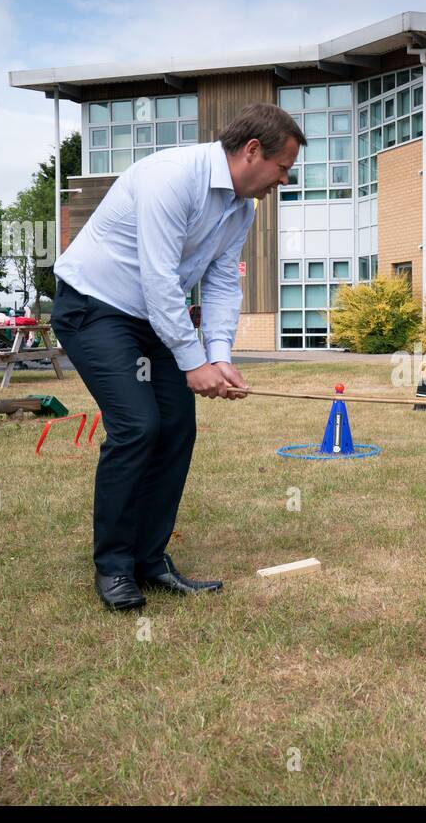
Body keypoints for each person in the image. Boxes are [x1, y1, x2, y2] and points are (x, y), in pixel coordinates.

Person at [51, 102, 304, 611]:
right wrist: (193, 363)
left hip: (152, 318)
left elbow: (219, 281)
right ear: (252, 151)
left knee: (177, 428)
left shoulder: (242, 207)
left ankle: (151, 561)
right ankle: (115, 567)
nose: (283, 180)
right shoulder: (172, 178)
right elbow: (159, 276)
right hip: (94, 308)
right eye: (282, 169)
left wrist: (219, 355)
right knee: (138, 425)